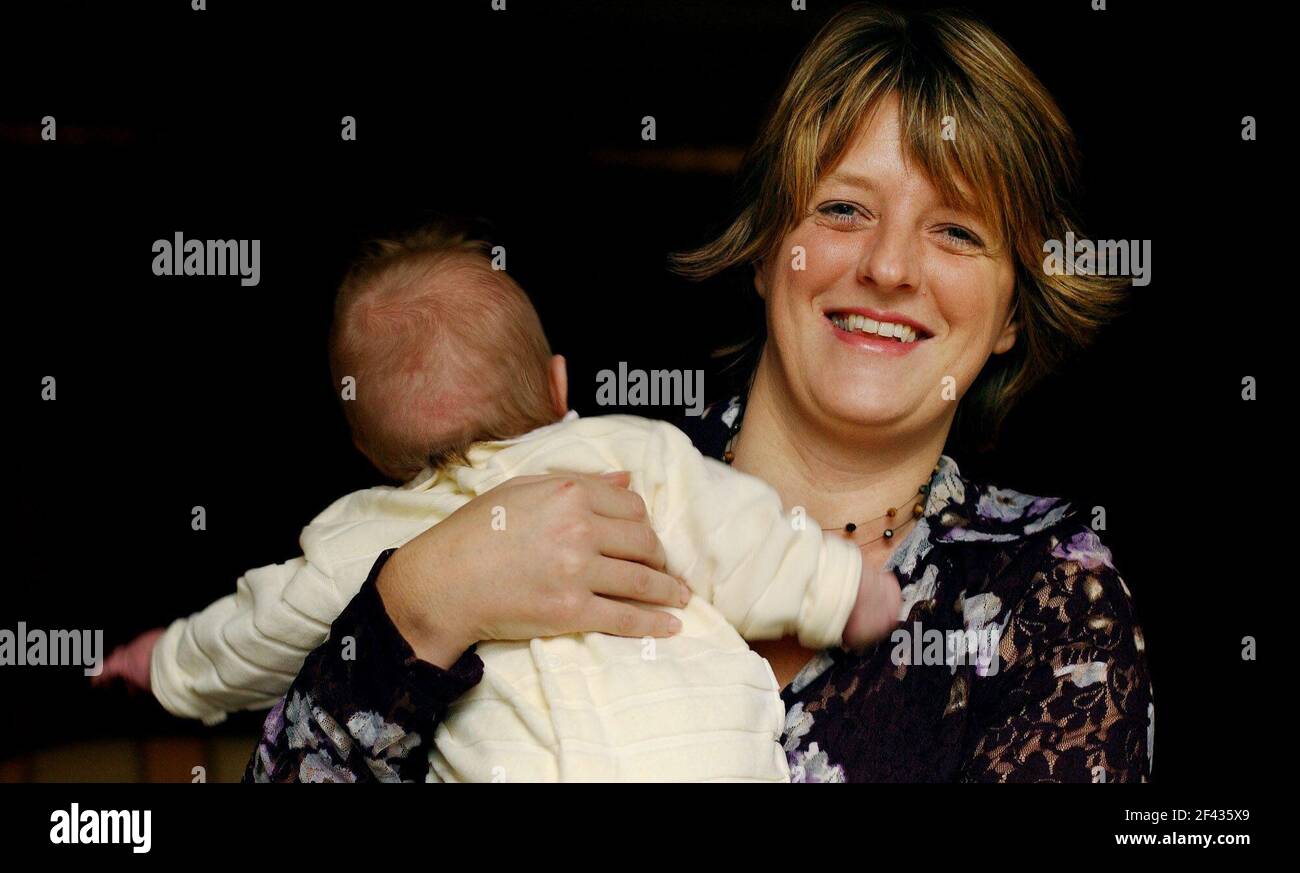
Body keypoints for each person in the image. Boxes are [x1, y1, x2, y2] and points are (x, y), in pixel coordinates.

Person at [249, 3, 1154, 783]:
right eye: (843, 208)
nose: (887, 266)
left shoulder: (1051, 597)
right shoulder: (563, 472)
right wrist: (420, 602)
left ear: (1009, 314)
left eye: (956, 230)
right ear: (767, 246)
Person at [100, 222, 901, 782]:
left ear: (367, 451)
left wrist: (164, 662)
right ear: (559, 384)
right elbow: (741, 536)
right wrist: (839, 585)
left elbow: (256, 628)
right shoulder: (631, 450)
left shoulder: (362, 538)